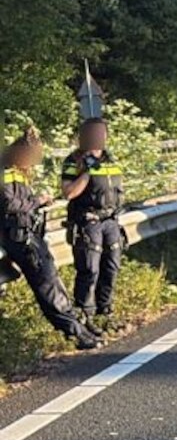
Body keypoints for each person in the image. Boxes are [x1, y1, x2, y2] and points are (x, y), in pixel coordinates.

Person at [1, 128, 101, 349]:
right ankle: (76, 333)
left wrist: (41, 203)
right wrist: (38, 200)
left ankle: (77, 329)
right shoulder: (5, 170)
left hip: (29, 235)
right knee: (47, 283)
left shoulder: (16, 170)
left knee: (52, 281)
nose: (35, 163)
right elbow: (9, 205)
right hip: (19, 238)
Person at [62, 118, 124, 326]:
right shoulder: (74, 160)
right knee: (90, 270)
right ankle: (84, 315)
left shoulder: (111, 160)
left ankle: (105, 312)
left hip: (111, 221)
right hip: (89, 222)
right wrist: (87, 171)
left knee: (111, 268)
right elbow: (69, 193)